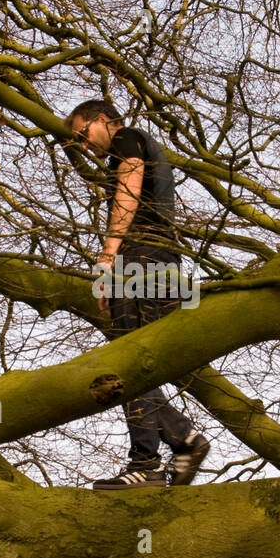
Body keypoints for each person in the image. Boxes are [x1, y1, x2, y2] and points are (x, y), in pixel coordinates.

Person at [66, 99, 209, 489]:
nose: (84, 145)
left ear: (102, 119)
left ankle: (147, 463)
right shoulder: (148, 148)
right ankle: (184, 440)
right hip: (158, 261)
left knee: (127, 361)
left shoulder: (126, 138)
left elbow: (128, 187)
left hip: (142, 258)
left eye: (83, 134)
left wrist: (107, 258)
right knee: (134, 361)